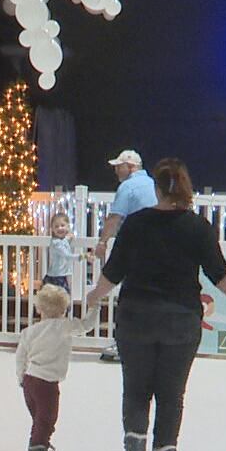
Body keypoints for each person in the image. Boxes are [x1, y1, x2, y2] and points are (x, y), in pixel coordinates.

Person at [86, 158, 226, 451]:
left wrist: (93, 296)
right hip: (180, 323)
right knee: (171, 395)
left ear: (156, 187)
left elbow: (114, 271)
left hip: (135, 318)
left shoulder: (137, 224)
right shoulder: (197, 227)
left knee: (136, 390)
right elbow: (220, 273)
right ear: (185, 188)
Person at [13, 283, 101, 451]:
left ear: (38, 308)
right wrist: (95, 307)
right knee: (46, 423)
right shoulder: (65, 326)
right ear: (64, 309)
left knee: (39, 422)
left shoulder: (30, 332)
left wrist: (21, 378)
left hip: (30, 381)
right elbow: (87, 325)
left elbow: (20, 357)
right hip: (48, 385)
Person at [95, 149, 156, 362]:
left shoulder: (128, 186)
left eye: (118, 166)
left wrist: (102, 242)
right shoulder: (152, 184)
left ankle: (124, 344)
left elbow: (114, 218)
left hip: (136, 249)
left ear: (130, 167)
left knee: (129, 297)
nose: (115, 170)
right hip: (158, 251)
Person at [43, 211, 78, 293]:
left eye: (62, 225)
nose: (60, 228)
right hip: (55, 277)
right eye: (56, 226)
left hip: (61, 275)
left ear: (68, 227)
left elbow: (63, 242)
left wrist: (68, 238)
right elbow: (67, 255)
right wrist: (83, 256)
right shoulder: (55, 243)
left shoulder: (62, 241)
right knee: (60, 300)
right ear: (52, 229)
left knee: (63, 299)